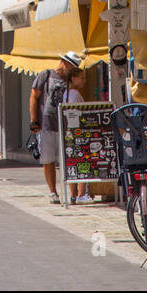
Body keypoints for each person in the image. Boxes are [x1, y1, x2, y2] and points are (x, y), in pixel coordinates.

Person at [30, 51, 80, 204]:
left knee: (69, 160)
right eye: (72, 65)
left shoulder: (70, 80)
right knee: (48, 160)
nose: (73, 69)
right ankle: (53, 193)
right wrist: (33, 120)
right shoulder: (46, 75)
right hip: (46, 124)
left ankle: (73, 195)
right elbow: (34, 96)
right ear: (64, 62)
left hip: (66, 126)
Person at [65, 68, 93, 204]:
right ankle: (82, 194)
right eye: (82, 78)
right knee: (82, 160)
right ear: (74, 79)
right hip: (78, 132)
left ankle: (73, 194)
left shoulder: (65, 93)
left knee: (71, 162)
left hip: (68, 133)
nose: (84, 81)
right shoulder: (75, 94)